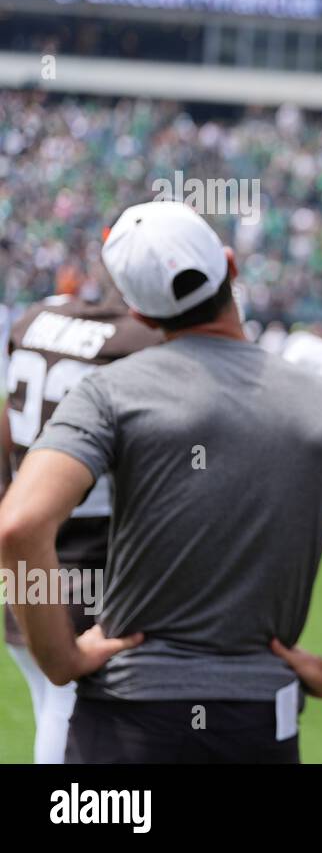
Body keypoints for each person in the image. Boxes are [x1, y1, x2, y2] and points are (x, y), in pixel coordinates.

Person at [0, 200, 322, 763]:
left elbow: (20, 526)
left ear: (140, 315)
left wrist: (62, 660)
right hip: (256, 724)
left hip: (124, 720)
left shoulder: (109, 393)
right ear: (231, 267)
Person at [2, 268, 161, 763]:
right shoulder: (141, 344)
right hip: (88, 563)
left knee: (50, 702)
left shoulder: (35, 319)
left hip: (26, 561)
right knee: (69, 710)